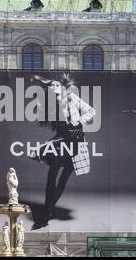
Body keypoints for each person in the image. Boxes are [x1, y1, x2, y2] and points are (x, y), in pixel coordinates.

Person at [29, 73, 96, 229]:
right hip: (60, 142)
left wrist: (79, 122)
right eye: (53, 90)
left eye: (58, 88)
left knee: (64, 178)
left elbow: (91, 112)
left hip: (76, 143)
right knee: (52, 174)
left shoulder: (72, 99)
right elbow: (40, 115)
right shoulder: (49, 106)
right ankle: (47, 211)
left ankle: (49, 209)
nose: (56, 92)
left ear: (64, 89)